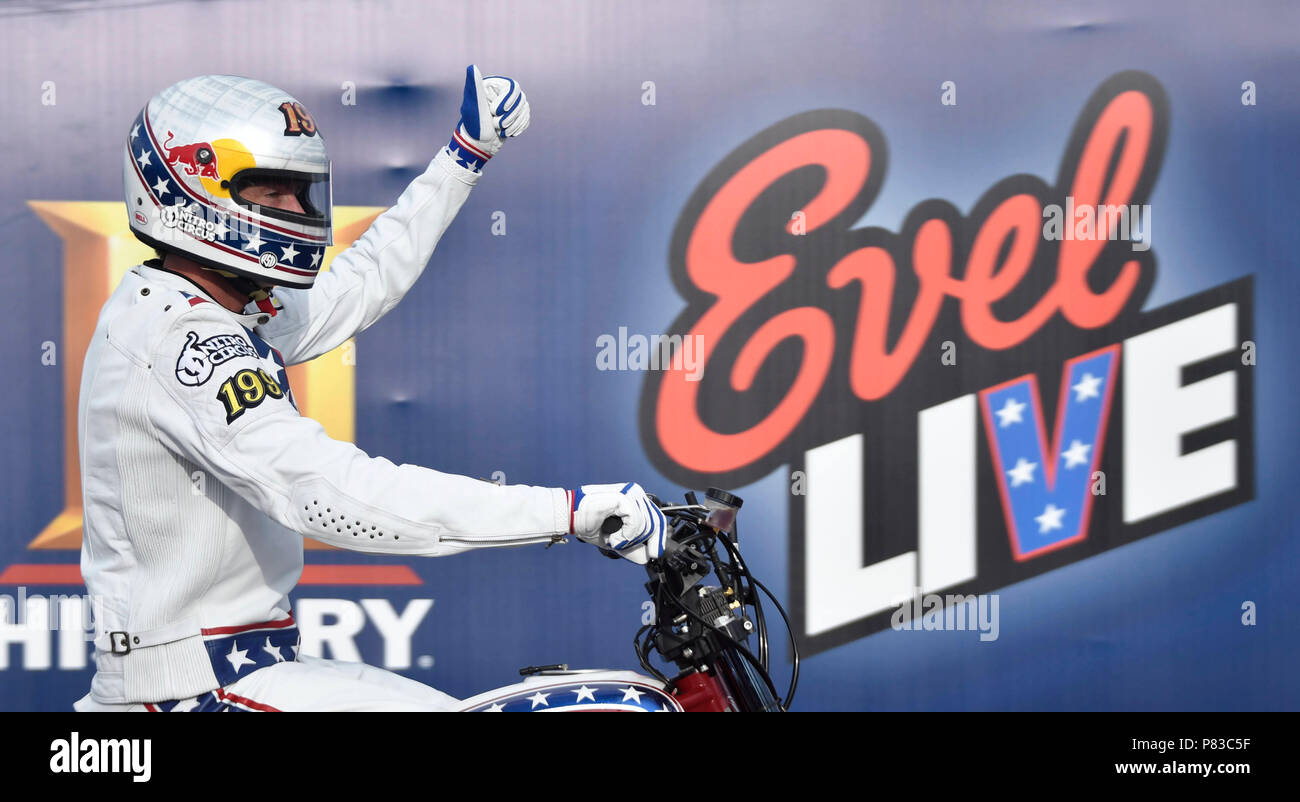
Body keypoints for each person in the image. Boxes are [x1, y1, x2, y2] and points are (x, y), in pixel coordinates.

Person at [73, 68, 667, 712]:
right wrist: (567, 512)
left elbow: (362, 279)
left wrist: (462, 159)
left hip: (245, 661)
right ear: (189, 190)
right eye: (274, 191)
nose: (300, 213)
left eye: (303, 192)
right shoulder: (184, 341)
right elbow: (331, 495)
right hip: (191, 691)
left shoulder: (213, 306)